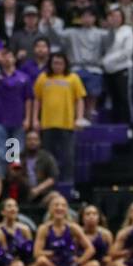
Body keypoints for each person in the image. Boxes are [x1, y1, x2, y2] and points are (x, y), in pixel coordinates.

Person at [31, 53, 86, 187]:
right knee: (47, 157)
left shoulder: (73, 78)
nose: (57, 66)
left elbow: (80, 99)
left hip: (66, 124)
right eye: (55, 63)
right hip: (47, 124)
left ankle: (67, 184)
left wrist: (79, 118)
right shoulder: (43, 78)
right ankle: (46, 184)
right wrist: (35, 119)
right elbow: (37, 99)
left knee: (68, 157)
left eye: (60, 63)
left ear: (66, 64)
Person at [29, 194, 99, 266]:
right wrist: (54, 253)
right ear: (50, 209)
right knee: (41, 261)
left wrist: (79, 261)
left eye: (63, 205)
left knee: (95, 265)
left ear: (66, 210)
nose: (59, 208)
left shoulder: (73, 227)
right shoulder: (44, 228)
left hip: (69, 264)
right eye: (56, 205)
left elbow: (90, 249)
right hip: (53, 265)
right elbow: (37, 253)